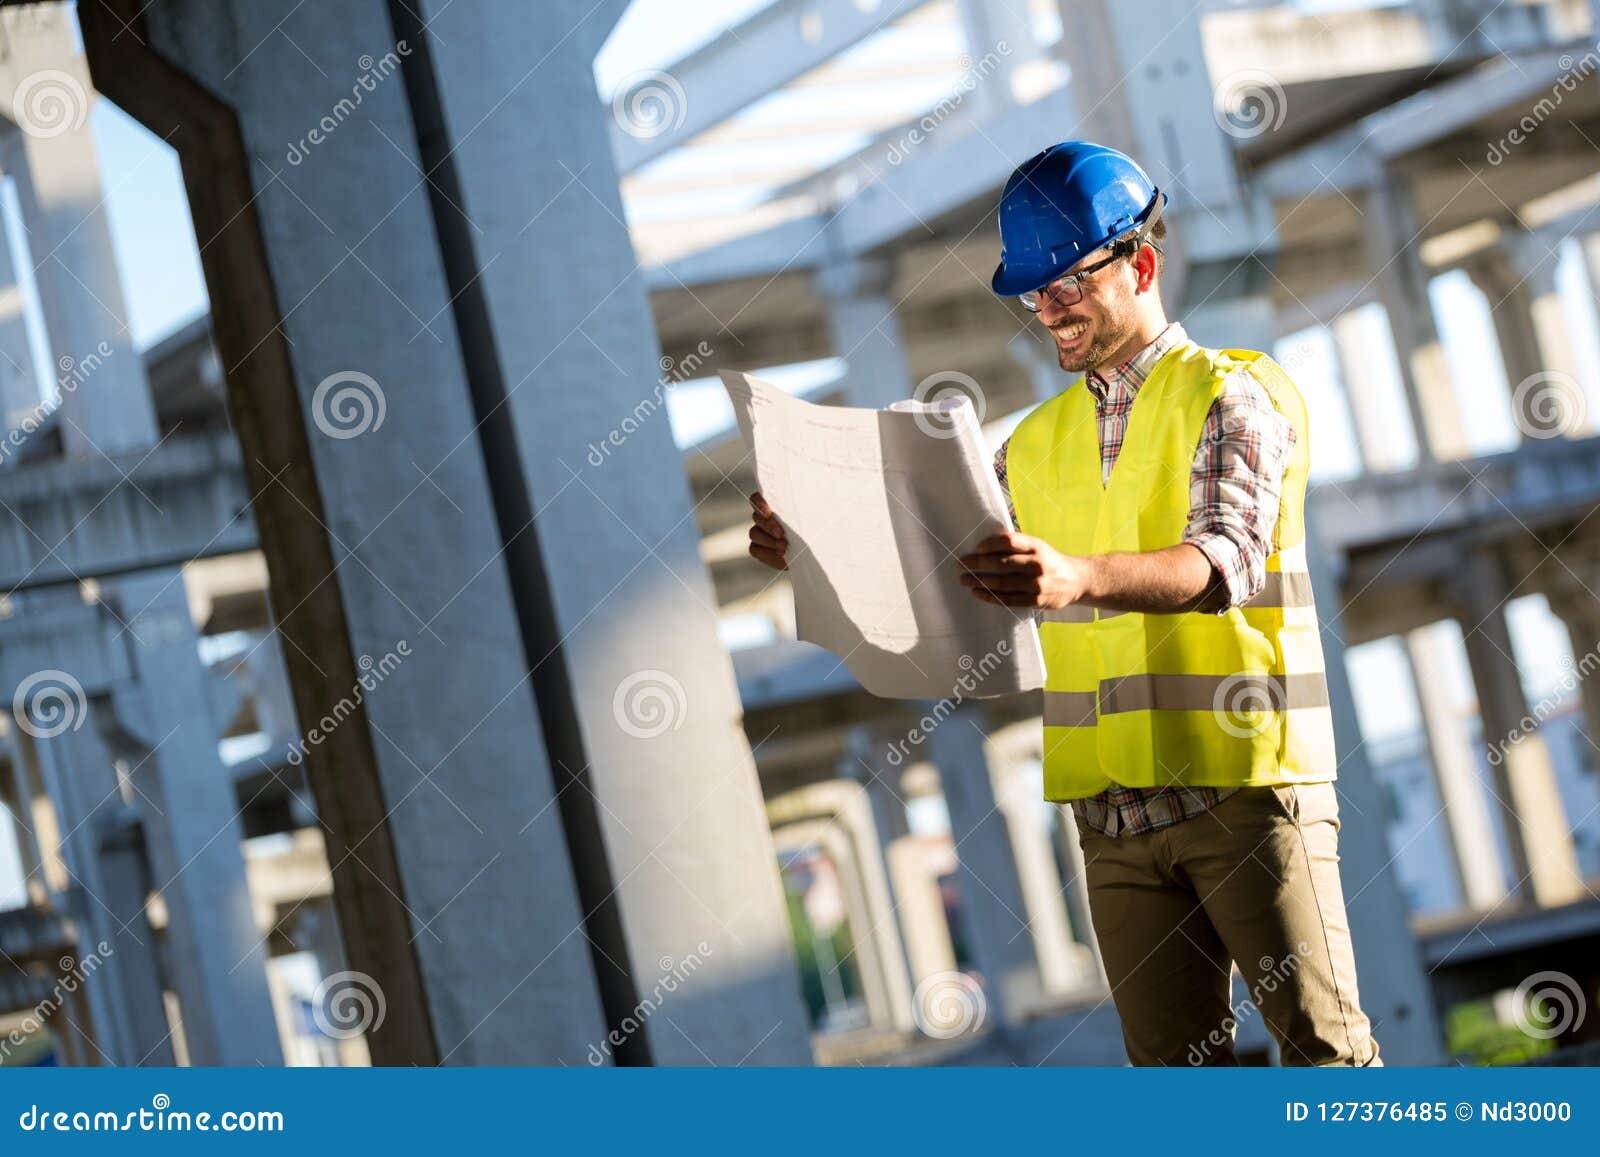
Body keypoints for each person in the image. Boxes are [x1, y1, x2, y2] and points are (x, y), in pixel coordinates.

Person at [748, 140, 1381, 1067]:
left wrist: (1079, 576)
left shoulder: (1231, 396)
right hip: (1113, 818)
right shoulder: (1030, 445)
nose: (1048, 309)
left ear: (1143, 263)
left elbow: (1226, 559)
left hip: (1248, 794)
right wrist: (808, 551)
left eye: (1069, 283)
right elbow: (938, 573)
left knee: (1324, 1058)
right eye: (1032, 292)